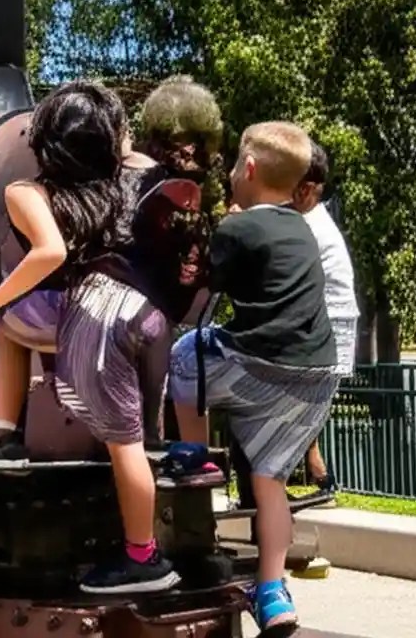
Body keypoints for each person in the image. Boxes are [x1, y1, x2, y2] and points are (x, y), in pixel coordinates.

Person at [0, 81, 186, 594]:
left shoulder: (28, 192)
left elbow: (48, 252)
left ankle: (141, 556)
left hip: (91, 319)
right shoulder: (128, 179)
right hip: (147, 315)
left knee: (9, 325)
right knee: (135, 438)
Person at [166, 121, 340, 631]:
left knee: (184, 353)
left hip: (260, 366)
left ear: (248, 169)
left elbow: (202, 286)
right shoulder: (304, 230)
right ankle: (272, 594)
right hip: (313, 376)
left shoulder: (236, 227)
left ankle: (194, 455)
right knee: (269, 484)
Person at [290, 141, 356, 499]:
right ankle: (319, 478)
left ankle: (318, 478)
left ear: (308, 189)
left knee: (300, 407)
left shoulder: (310, 227)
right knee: (304, 410)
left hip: (327, 326)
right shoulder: (308, 221)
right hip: (323, 324)